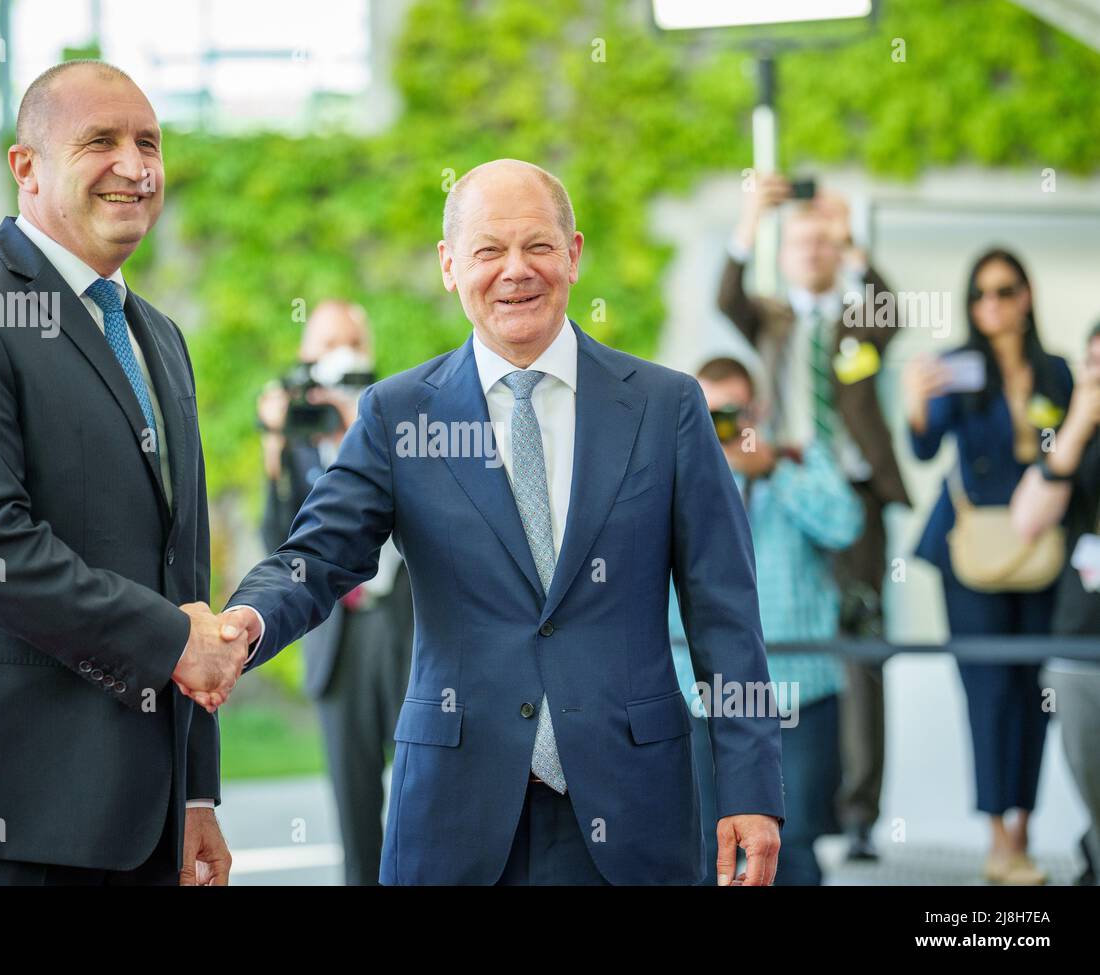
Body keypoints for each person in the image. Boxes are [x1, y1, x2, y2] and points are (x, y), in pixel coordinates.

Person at [207, 158, 785, 885]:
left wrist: (752, 787)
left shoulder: (667, 408)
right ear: (451, 266)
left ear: (573, 255)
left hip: (631, 813)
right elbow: (318, 555)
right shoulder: (397, 414)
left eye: (538, 245)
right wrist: (243, 626)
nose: (516, 270)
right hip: (454, 817)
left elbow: (726, 611)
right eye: (489, 251)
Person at [0, 60, 244, 885]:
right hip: (6, 814)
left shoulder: (157, 336)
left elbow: (180, 569)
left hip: (146, 823)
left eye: (148, 142)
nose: (136, 165)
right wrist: (173, 640)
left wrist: (195, 794)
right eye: (100, 140)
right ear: (25, 167)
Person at [718, 174, 909, 860]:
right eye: (801, 240)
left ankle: (858, 809)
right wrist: (750, 216)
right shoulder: (771, 317)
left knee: (860, 648)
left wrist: (851, 239)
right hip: (784, 478)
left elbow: (891, 305)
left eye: (823, 240)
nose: (813, 249)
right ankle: (785, 792)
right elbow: (726, 296)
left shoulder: (861, 321)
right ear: (784, 251)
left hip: (852, 493)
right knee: (786, 630)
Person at [904, 247, 1073, 885]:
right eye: (980, 294)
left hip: (1043, 550)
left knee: (1038, 691)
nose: (992, 305)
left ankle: (1023, 834)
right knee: (987, 692)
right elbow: (924, 448)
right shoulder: (959, 366)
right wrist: (916, 402)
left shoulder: (1056, 371)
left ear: (1026, 296)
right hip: (971, 552)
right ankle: (998, 840)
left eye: (1005, 291)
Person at [674, 356, 861, 885]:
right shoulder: (674, 466)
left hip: (800, 687)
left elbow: (845, 525)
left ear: (759, 407)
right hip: (702, 690)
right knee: (710, 842)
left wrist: (773, 468)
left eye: (735, 411)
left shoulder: (798, 457)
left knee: (794, 842)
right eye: (711, 415)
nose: (725, 427)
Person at [257, 300, 413, 885]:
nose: (340, 356)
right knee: (354, 807)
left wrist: (362, 437)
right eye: (326, 347)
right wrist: (275, 452)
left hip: (402, 627)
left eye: (351, 343)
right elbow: (278, 544)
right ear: (305, 361)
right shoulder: (296, 438)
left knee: (423, 789)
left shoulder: (394, 419)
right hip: (336, 638)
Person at [1011, 321, 1100, 885]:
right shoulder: (1074, 437)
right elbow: (1027, 521)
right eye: (1094, 364)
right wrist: (1081, 419)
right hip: (1079, 646)